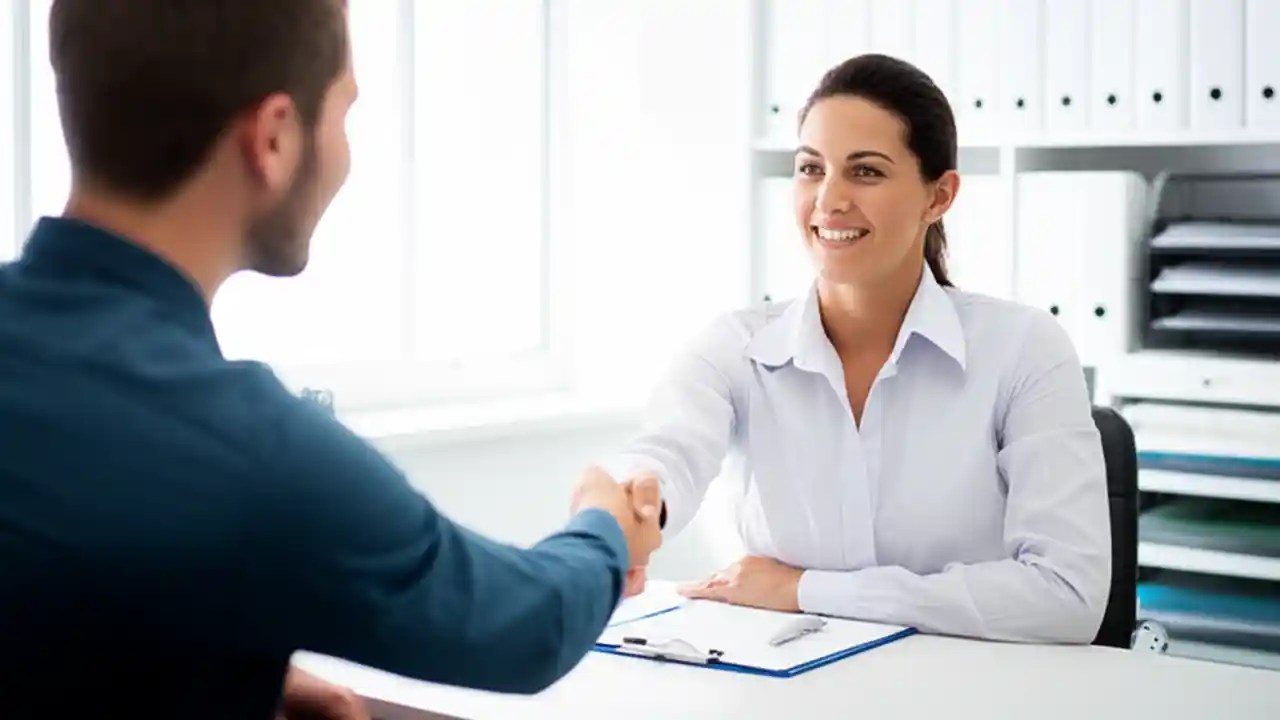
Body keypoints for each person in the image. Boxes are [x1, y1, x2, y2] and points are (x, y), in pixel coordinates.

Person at [0, 1, 660, 718]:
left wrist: (219, 658)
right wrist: (605, 527)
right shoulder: (251, 453)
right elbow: (527, 626)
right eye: (345, 112)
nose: (345, 155)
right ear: (274, 138)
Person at [609, 54, 1111, 644]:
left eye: (866, 172)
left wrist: (802, 589)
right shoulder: (737, 348)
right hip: (789, 682)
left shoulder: (1023, 350)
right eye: (810, 168)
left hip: (966, 683)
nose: (829, 199)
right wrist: (628, 514)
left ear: (938, 196)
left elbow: (1068, 597)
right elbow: (666, 455)